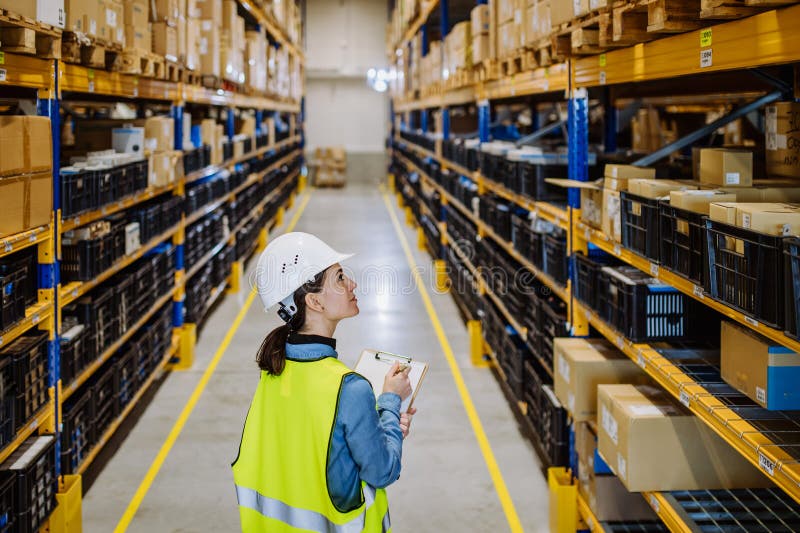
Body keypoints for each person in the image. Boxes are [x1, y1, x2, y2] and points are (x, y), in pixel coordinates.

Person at [232, 232, 417, 532]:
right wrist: (391, 401)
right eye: (340, 278)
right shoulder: (350, 388)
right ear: (314, 301)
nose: (352, 285)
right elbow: (383, 471)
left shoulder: (272, 372)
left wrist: (385, 423)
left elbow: (316, 452)